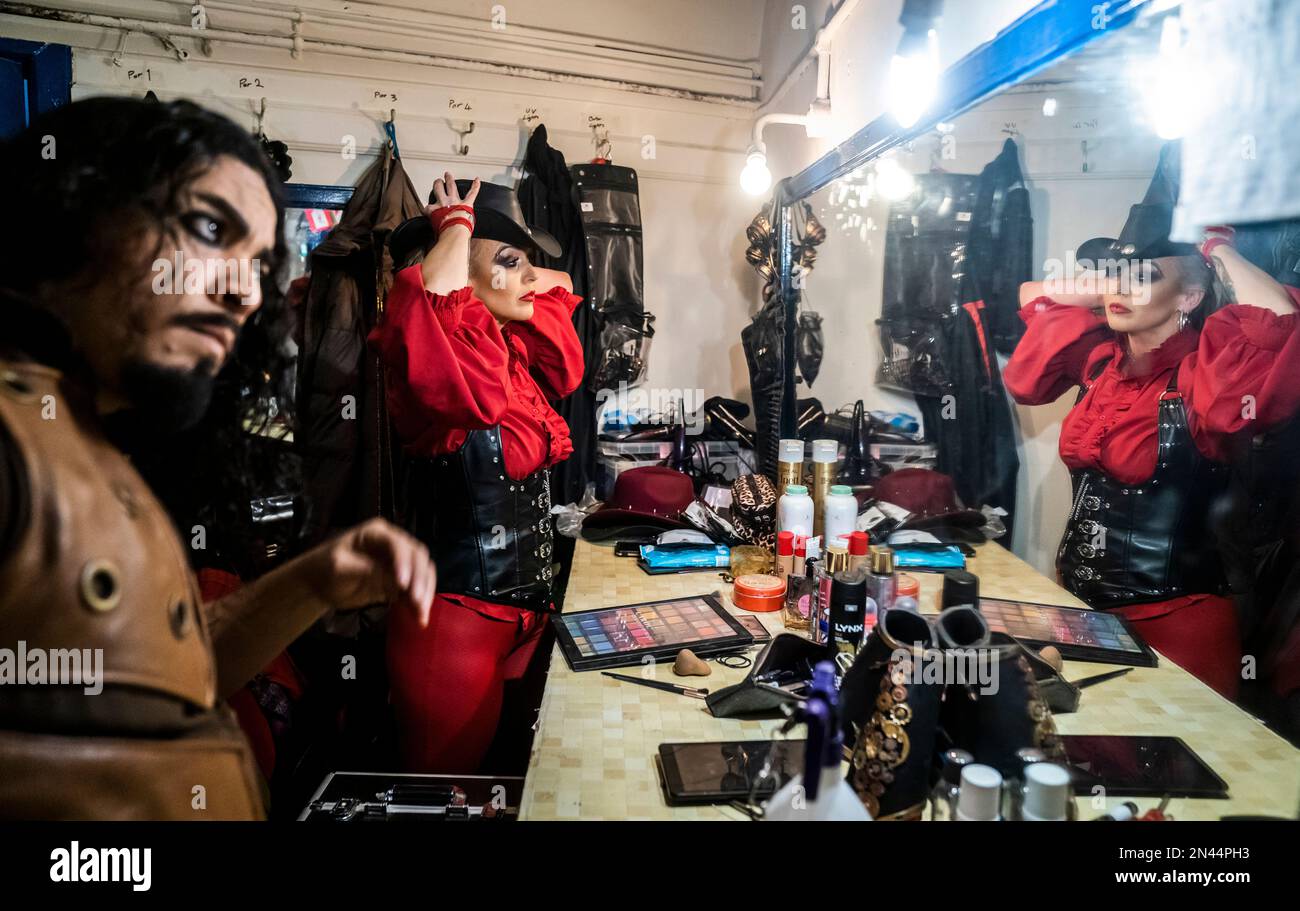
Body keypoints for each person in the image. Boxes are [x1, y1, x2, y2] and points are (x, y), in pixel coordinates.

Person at [0, 97, 436, 820]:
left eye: (259, 262)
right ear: (74, 210)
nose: (243, 291)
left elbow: (165, 674)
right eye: (208, 229)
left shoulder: (88, 437)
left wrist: (314, 581)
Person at [1004, 214, 1300, 699]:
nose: (1120, 290)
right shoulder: (1102, 365)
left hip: (1177, 626)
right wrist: (1127, 277)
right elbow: (1032, 292)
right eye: (1115, 277)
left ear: (1189, 298)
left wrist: (1216, 250)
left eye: (1147, 279)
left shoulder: (1204, 377)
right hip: (1083, 612)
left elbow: (1278, 324)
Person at [372, 172, 584, 773]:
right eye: (511, 262)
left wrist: (509, 266)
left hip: (526, 619)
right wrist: (458, 231)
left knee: (516, 789)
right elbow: (430, 303)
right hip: (453, 629)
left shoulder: (507, 355)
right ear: (460, 268)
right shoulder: (435, 359)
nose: (528, 279)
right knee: (444, 803)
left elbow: (560, 294)